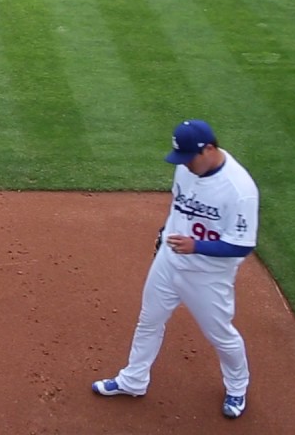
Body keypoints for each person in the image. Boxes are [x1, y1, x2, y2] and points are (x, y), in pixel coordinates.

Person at [92, 119, 261, 420]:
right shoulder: (186, 167)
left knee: (220, 335)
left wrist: (196, 246)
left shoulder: (239, 190)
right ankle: (134, 380)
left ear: (209, 149)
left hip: (208, 276)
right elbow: (180, 207)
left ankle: (237, 387)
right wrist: (166, 231)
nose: (184, 164)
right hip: (169, 261)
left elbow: (242, 246)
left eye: (189, 158)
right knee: (149, 320)